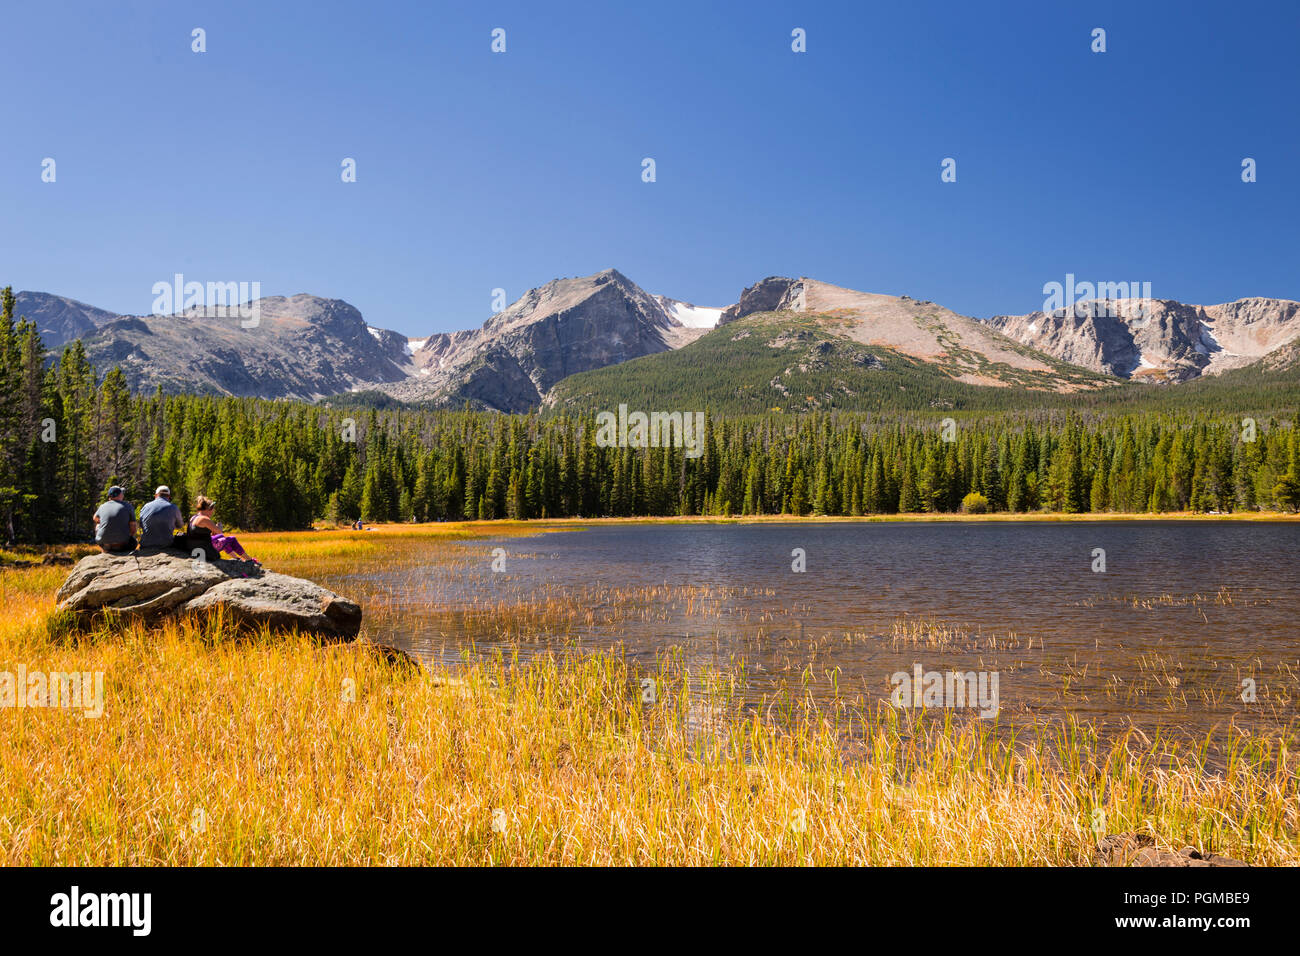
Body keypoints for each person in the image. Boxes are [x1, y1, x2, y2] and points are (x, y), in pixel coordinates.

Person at [188, 496, 260, 564]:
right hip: (203, 549)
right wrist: (219, 527)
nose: (213, 512)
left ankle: (236, 558)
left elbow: (201, 534)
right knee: (231, 539)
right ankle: (249, 559)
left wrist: (214, 531)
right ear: (209, 509)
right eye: (212, 510)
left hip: (194, 546)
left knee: (222, 538)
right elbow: (219, 532)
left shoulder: (194, 517)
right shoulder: (204, 519)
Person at [137, 485, 184, 550]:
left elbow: (141, 525)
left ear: (156, 495)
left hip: (146, 544)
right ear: (169, 496)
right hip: (167, 545)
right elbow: (180, 525)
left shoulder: (145, 506)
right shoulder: (174, 508)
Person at [93, 486, 137, 553]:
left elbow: (95, 518)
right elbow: (133, 528)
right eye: (122, 493)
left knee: (98, 526)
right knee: (133, 529)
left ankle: (105, 551)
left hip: (105, 544)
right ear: (120, 495)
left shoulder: (102, 506)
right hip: (123, 545)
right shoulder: (128, 506)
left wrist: (106, 523)